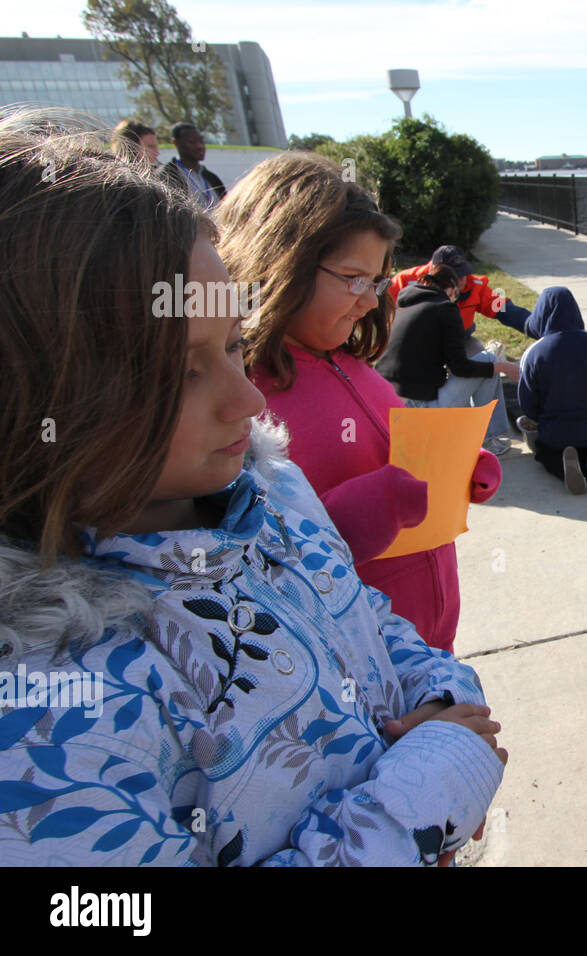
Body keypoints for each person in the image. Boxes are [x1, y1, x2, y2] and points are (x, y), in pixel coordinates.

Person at [0, 114, 505, 865]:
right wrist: (427, 793)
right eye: (182, 371)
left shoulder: (270, 487)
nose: (247, 400)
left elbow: (362, 614)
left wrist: (436, 701)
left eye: (234, 345)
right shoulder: (46, 723)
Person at [217, 152, 501, 654]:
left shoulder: (353, 364)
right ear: (281, 264)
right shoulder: (243, 398)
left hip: (428, 644)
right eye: (353, 279)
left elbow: (402, 450)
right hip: (359, 658)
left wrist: (459, 466)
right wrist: (365, 512)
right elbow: (255, 561)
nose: (370, 301)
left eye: (375, 282)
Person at [377, 263, 520, 456]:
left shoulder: (404, 307)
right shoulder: (445, 308)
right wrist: (504, 367)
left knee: (483, 365)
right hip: (419, 411)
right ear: (452, 289)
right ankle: (488, 439)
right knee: (488, 359)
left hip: (388, 407)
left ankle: (471, 432)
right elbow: (461, 368)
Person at [517, 286, 587, 494]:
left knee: (545, 453)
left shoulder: (535, 352)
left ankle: (564, 468)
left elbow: (527, 402)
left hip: (558, 430)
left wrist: (540, 417)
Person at [388, 245, 532, 338]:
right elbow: (383, 315)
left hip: (458, 336)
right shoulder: (404, 281)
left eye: (464, 272)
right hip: (416, 338)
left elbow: (505, 310)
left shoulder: (474, 285)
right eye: (456, 275)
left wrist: (538, 326)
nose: (462, 279)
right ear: (436, 273)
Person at [162, 122, 225, 209]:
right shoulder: (168, 177)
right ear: (176, 142)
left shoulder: (211, 177)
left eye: (201, 141)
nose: (200, 146)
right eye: (192, 142)